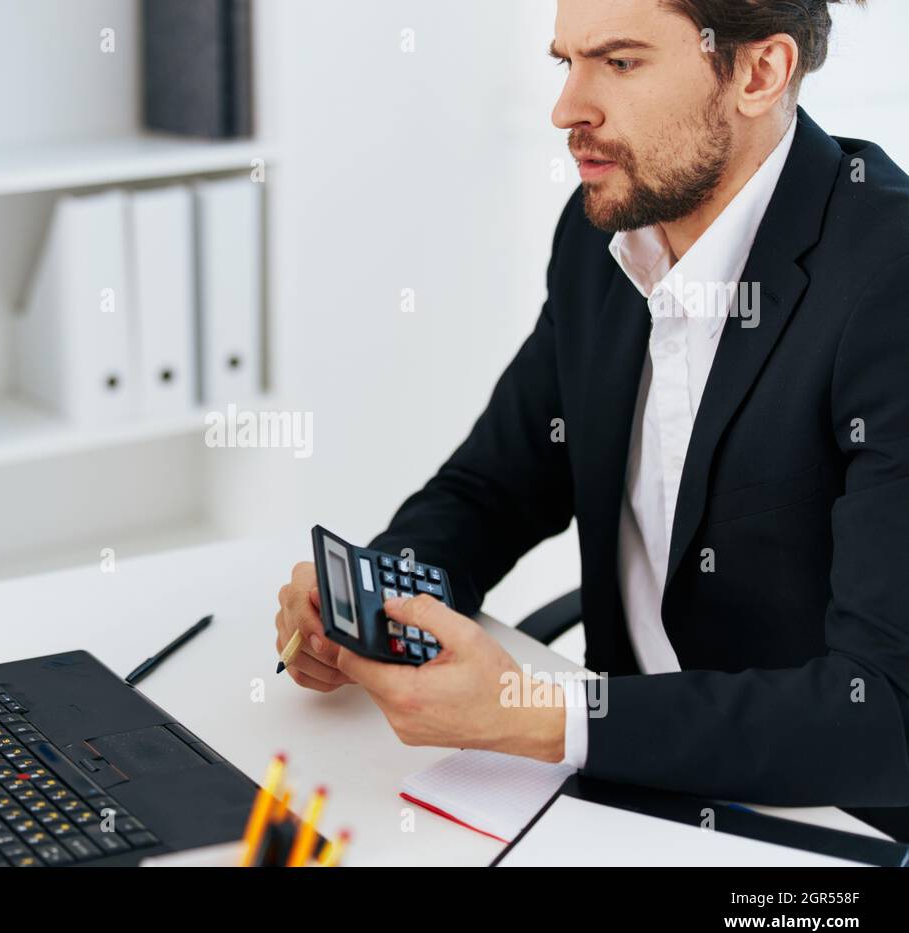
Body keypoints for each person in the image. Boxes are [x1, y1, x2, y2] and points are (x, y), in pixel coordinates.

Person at [274, 0, 909, 839]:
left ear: (759, 72)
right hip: (619, 790)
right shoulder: (604, 235)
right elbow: (494, 486)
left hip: (829, 826)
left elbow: (884, 709)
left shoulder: (888, 282)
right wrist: (376, 601)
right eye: (565, 61)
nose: (567, 108)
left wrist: (540, 712)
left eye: (620, 62)